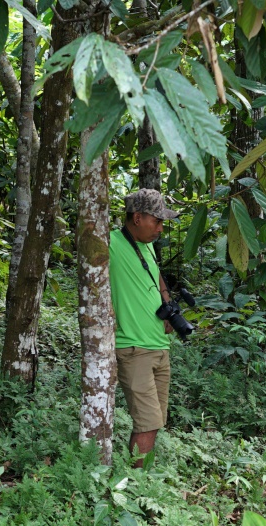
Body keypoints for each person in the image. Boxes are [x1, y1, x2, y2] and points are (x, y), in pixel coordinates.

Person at [109, 189, 180, 459]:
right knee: (148, 423)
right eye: (157, 221)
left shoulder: (146, 244)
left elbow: (156, 275)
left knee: (156, 421)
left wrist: (167, 303)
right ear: (137, 218)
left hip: (159, 346)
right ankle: (137, 486)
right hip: (134, 348)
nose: (161, 228)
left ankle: (142, 479)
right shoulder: (110, 242)